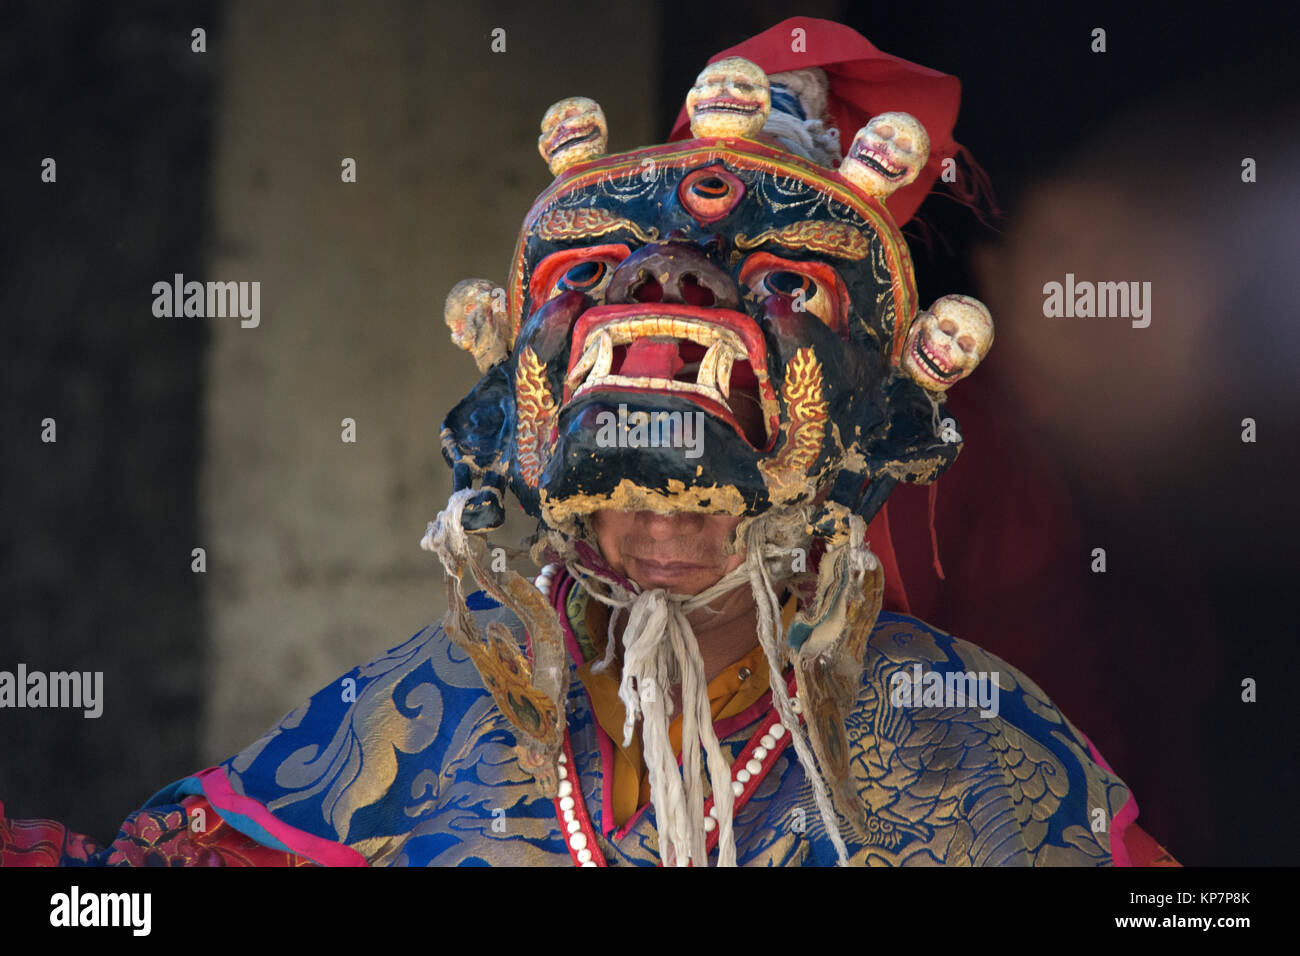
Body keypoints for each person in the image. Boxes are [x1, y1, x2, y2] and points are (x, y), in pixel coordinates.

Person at [0, 17, 1176, 868]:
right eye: (627, 488)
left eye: (709, 502)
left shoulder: (962, 730)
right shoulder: (426, 709)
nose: (664, 532)